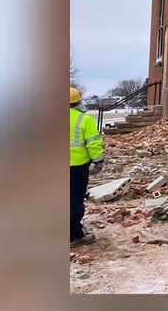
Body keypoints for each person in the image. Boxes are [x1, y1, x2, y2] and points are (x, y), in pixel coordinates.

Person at [70, 87, 104, 247]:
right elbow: (93, 143)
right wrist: (98, 161)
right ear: (78, 102)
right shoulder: (84, 120)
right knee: (74, 200)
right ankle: (73, 235)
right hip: (76, 167)